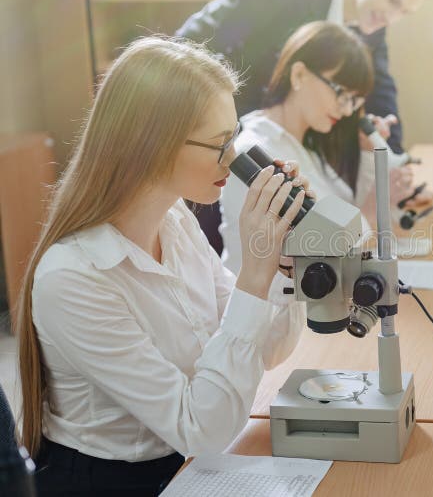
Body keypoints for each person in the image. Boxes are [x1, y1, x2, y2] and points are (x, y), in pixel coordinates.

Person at [16, 36, 312, 496]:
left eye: (234, 137)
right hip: (112, 481)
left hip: (188, 461)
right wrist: (255, 273)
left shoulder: (175, 223)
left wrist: (282, 265)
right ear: (150, 145)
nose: (234, 159)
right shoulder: (72, 278)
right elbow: (201, 428)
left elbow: (267, 351)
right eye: (219, 144)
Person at [220, 21, 428, 273]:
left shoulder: (306, 146)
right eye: (342, 93)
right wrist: (373, 208)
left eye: (354, 100)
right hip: (274, 307)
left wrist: (366, 154)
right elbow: (332, 245)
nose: (347, 109)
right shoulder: (257, 154)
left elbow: (353, 211)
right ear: (298, 75)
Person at [177, 0, 433, 151]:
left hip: (292, 150)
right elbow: (186, 44)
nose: (391, 18)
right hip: (222, 135)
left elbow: (381, 92)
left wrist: (394, 160)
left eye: (404, 13)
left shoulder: (373, 23)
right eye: (392, 0)